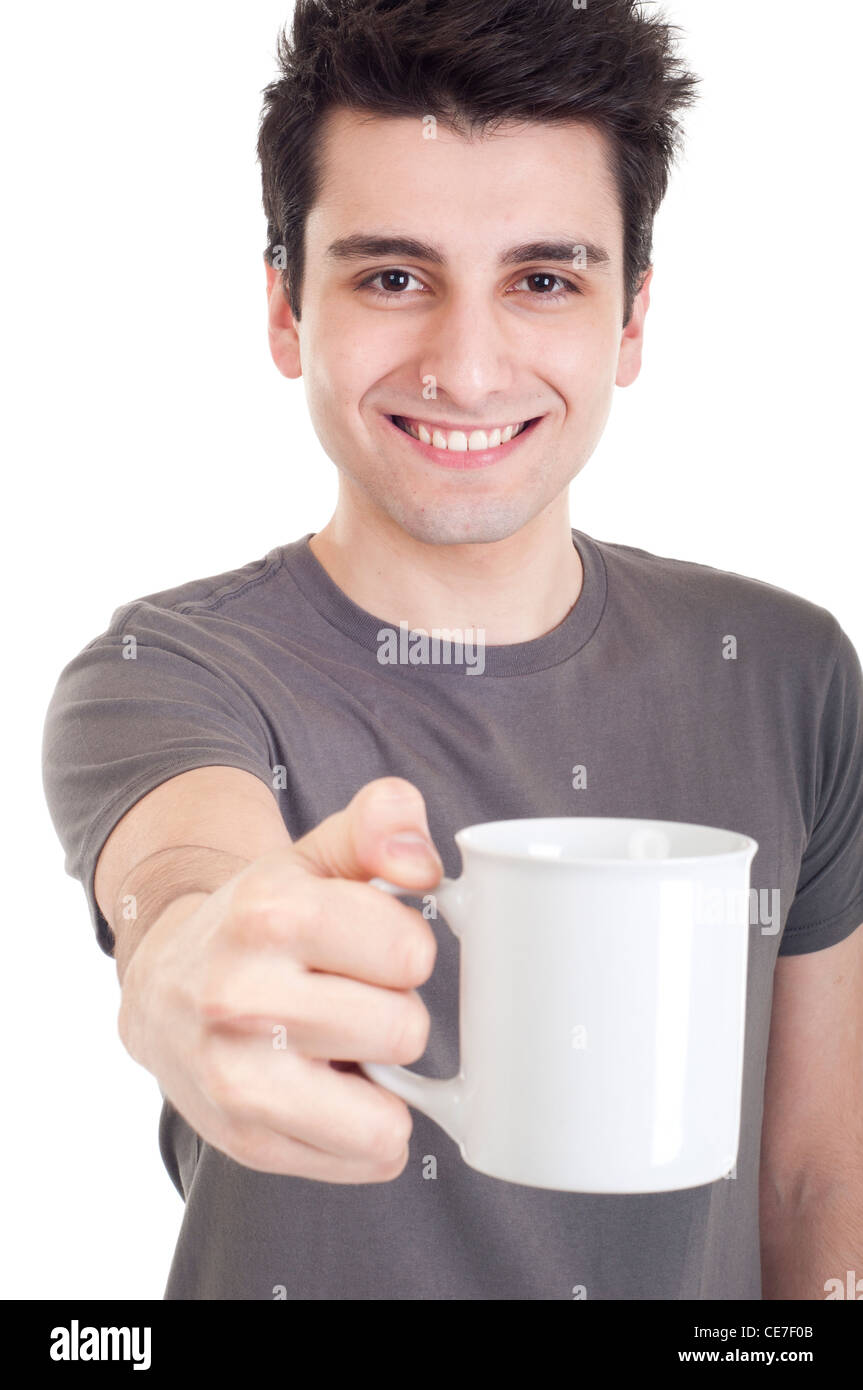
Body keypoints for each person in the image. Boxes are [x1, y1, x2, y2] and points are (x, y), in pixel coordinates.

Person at [42, 0, 863, 1301]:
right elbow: (185, 876)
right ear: (284, 311)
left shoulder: (788, 671)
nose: (468, 369)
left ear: (632, 319)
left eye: (544, 279)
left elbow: (819, 1182)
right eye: (391, 276)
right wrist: (192, 956)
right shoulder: (164, 670)